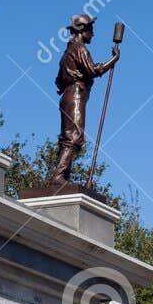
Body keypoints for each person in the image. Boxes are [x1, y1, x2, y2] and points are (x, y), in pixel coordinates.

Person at [48, 14, 119, 184]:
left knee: (69, 136)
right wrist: (114, 60)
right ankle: (59, 175)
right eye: (91, 29)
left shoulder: (68, 52)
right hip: (76, 94)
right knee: (74, 136)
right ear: (82, 30)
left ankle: (64, 177)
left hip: (69, 94)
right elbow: (93, 71)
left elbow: (58, 80)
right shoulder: (79, 49)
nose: (93, 34)